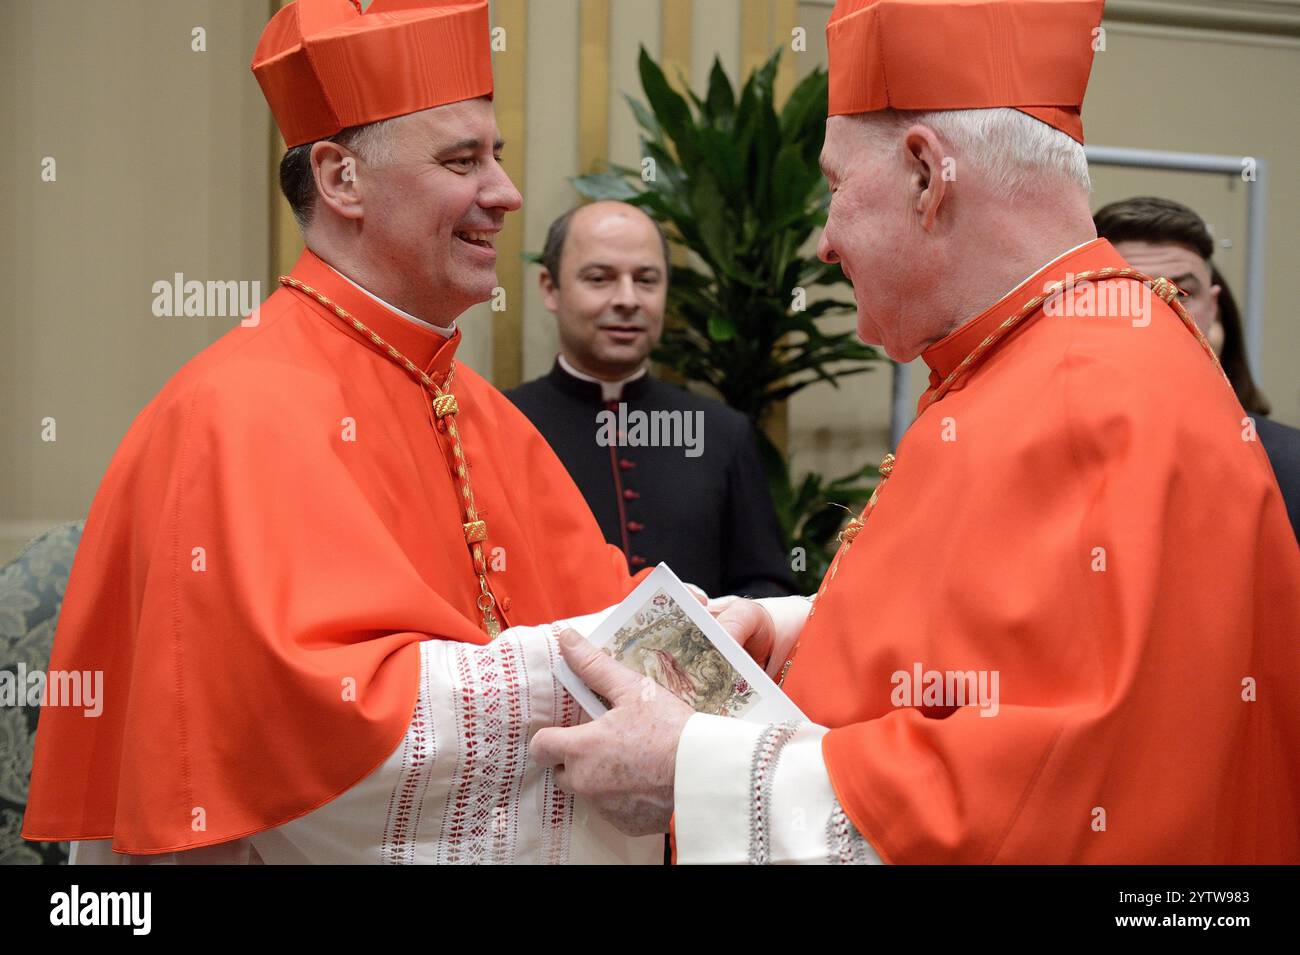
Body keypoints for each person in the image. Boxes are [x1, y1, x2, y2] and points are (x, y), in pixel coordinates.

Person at [531, 0, 1300, 864]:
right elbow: (997, 648)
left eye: (834, 187)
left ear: (928, 176)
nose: (823, 241)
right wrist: (795, 634)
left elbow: (1039, 796)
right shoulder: (1050, 355)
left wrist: (688, 764)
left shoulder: (1089, 398)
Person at [21, 0, 662, 865]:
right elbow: (308, 740)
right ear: (340, 179)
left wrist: (754, 630)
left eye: (497, 156)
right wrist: (560, 679)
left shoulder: (481, 410)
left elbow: (607, 619)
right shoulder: (231, 410)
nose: (506, 193)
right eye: (461, 159)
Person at [506, 201, 795, 597]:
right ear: (550, 289)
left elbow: (766, 585)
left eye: (646, 280)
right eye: (599, 278)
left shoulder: (722, 431)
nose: (628, 299)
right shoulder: (502, 425)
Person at [1093, 195, 1300, 540]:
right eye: (1131, 291)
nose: (1160, 312)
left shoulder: (1289, 467)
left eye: (1182, 292)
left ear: (1214, 308)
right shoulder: (1036, 459)